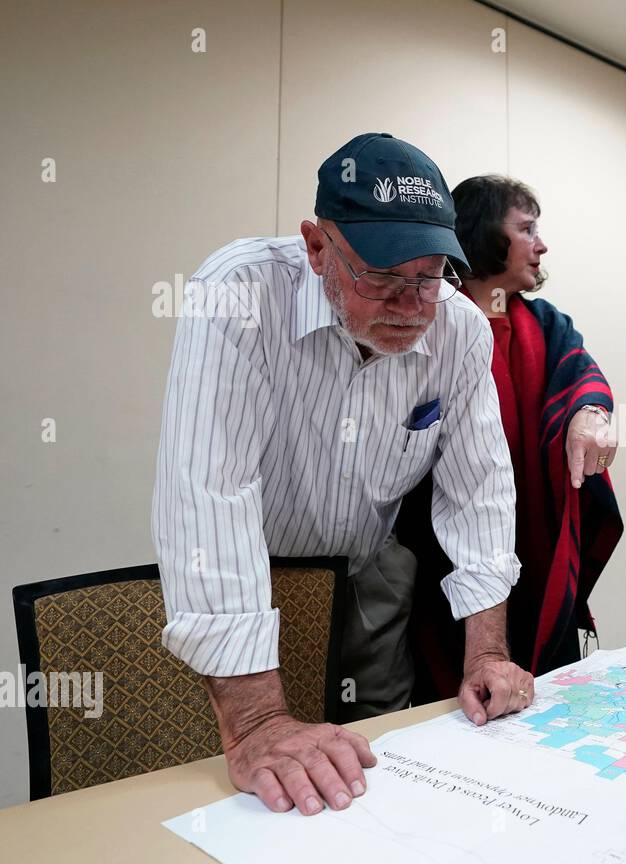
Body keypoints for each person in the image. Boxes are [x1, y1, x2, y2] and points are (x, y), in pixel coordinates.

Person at [152, 133, 529, 816]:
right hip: (247, 568)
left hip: (366, 566)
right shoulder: (238, 291)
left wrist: (488, 655)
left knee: (375, 759)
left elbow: (479, 494)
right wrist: (258, 723)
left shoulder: (461, 331)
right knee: (241, 781)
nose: (414, 307)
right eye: (383, 277)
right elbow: (209, 495)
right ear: (317, 246)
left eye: (428, 276)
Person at [395, 175, 622, 702]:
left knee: (539, 696)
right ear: (481, 233)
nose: (541, 245)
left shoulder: (544, 323)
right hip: (441, 553)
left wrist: (589, 414)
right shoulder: (427, 323)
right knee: (445, 698)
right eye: (526, 229)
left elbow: (583, 376)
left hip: (530, 544)